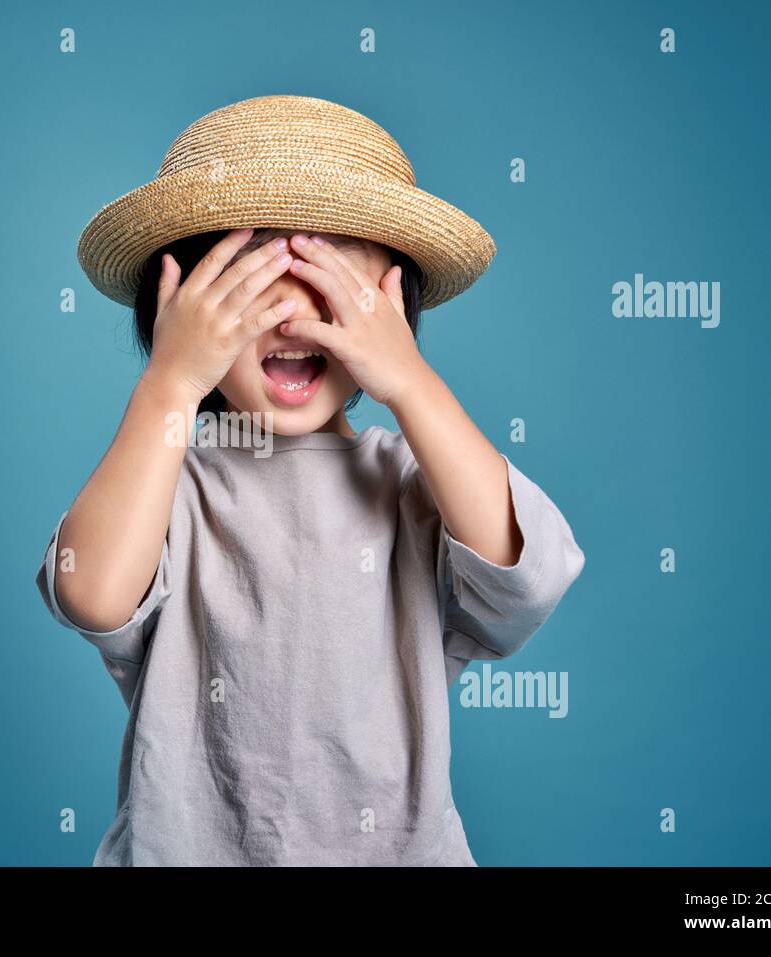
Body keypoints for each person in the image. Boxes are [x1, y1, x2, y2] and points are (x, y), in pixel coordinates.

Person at [36, 95, 585, 865]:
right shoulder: (169, 489)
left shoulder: (411, 485)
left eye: (332, 282)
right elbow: (88, 592)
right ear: (176, 313)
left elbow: (528, 576)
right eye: (251, 277)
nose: (295, 313)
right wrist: (167, 387)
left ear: (396, 312)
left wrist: (410, 382)